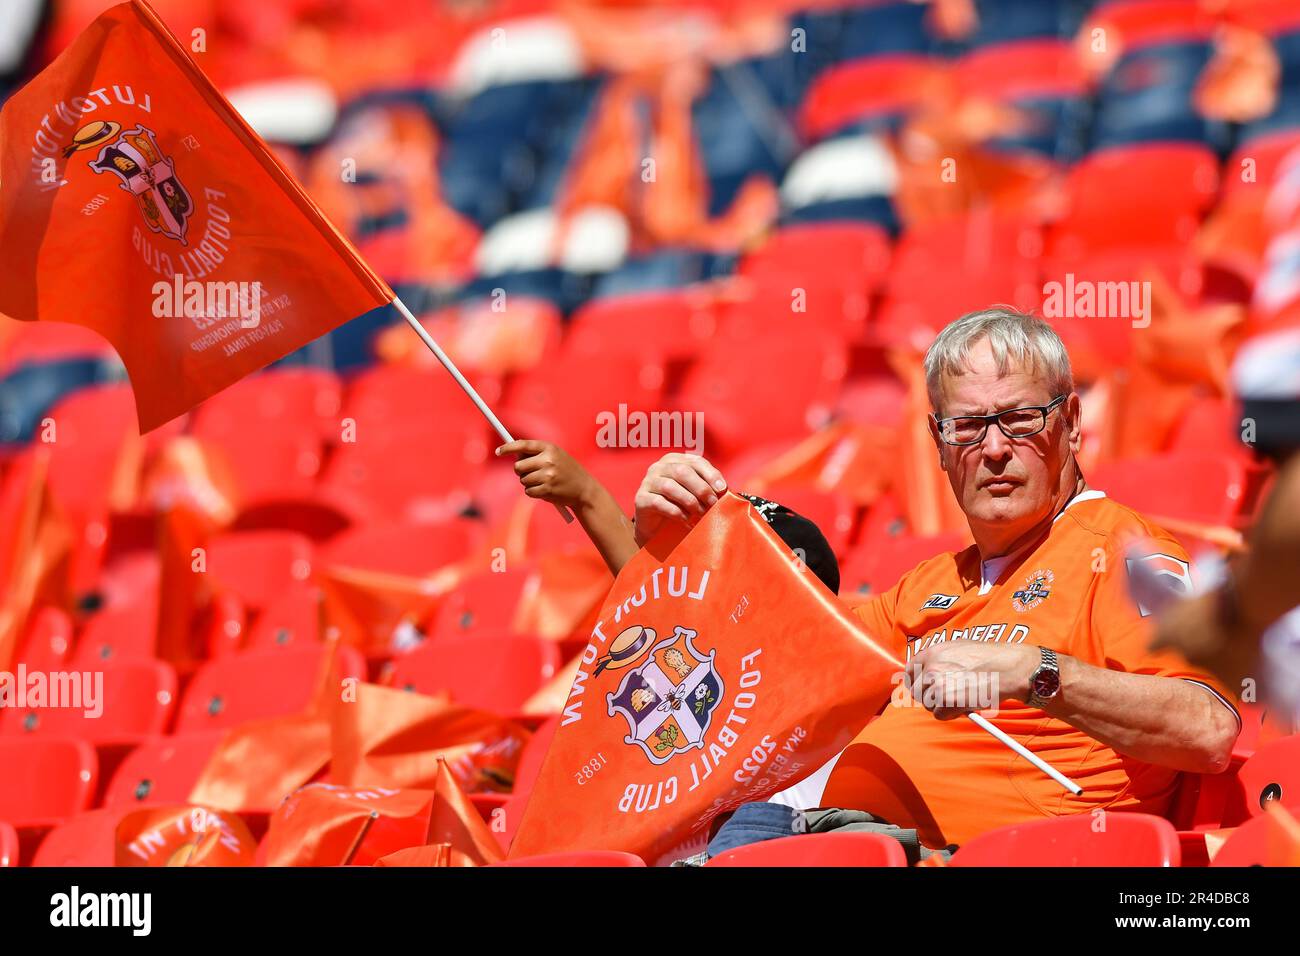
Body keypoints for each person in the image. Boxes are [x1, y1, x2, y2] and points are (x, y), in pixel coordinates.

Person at [631, 307, 1242, 856]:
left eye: (1021, 419)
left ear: (1074, 423)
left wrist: (1033, 671)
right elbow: (738, 667)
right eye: (969, 427)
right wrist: (668, 546)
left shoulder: (1122, 554)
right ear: (940, 445)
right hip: (817, 836)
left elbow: (1208, 729)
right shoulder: (930, 585)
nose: (995, 449)